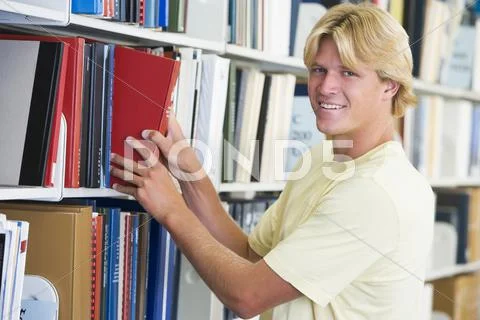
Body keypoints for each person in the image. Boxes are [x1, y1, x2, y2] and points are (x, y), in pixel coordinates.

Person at [110, 2, 435, 319]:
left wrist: (171, 209)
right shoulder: (322, 159)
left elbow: (248, 295)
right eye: (319, 70)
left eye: (348, 73)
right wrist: (189, 173)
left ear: (390, 85)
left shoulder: (377, 192)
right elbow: (252, 257)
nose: (326, 87)